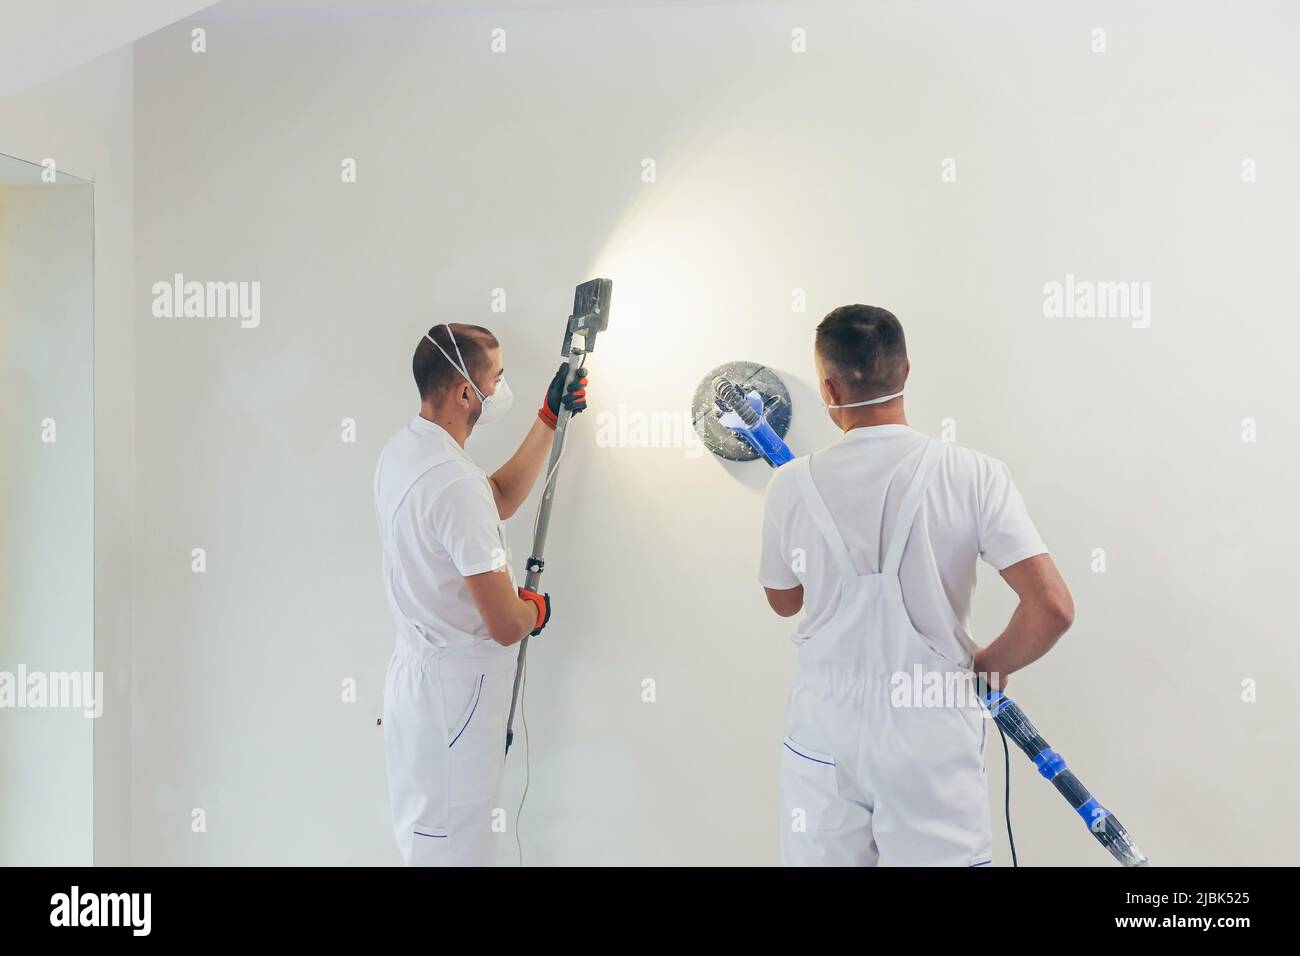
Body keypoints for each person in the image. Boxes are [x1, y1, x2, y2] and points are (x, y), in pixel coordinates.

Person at [760, 304, 1074, 867]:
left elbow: (784, 601)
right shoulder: (974, 474)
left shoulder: (790, 483)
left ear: (828, 390)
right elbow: (1051, 607)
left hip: (826, 729)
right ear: (905, 372)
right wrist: (982, 669)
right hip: (931, 727)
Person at [375, 322, 587, 866]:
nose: (500, 388)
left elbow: (495, 498)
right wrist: (533, 609)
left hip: (422, 684)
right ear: (467, 392)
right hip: (456, 697)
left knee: (428, 839)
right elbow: (504, 624)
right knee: (456, 848)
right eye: (496, 377)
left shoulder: (407, 452)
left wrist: (547, 419)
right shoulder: (454, 483)